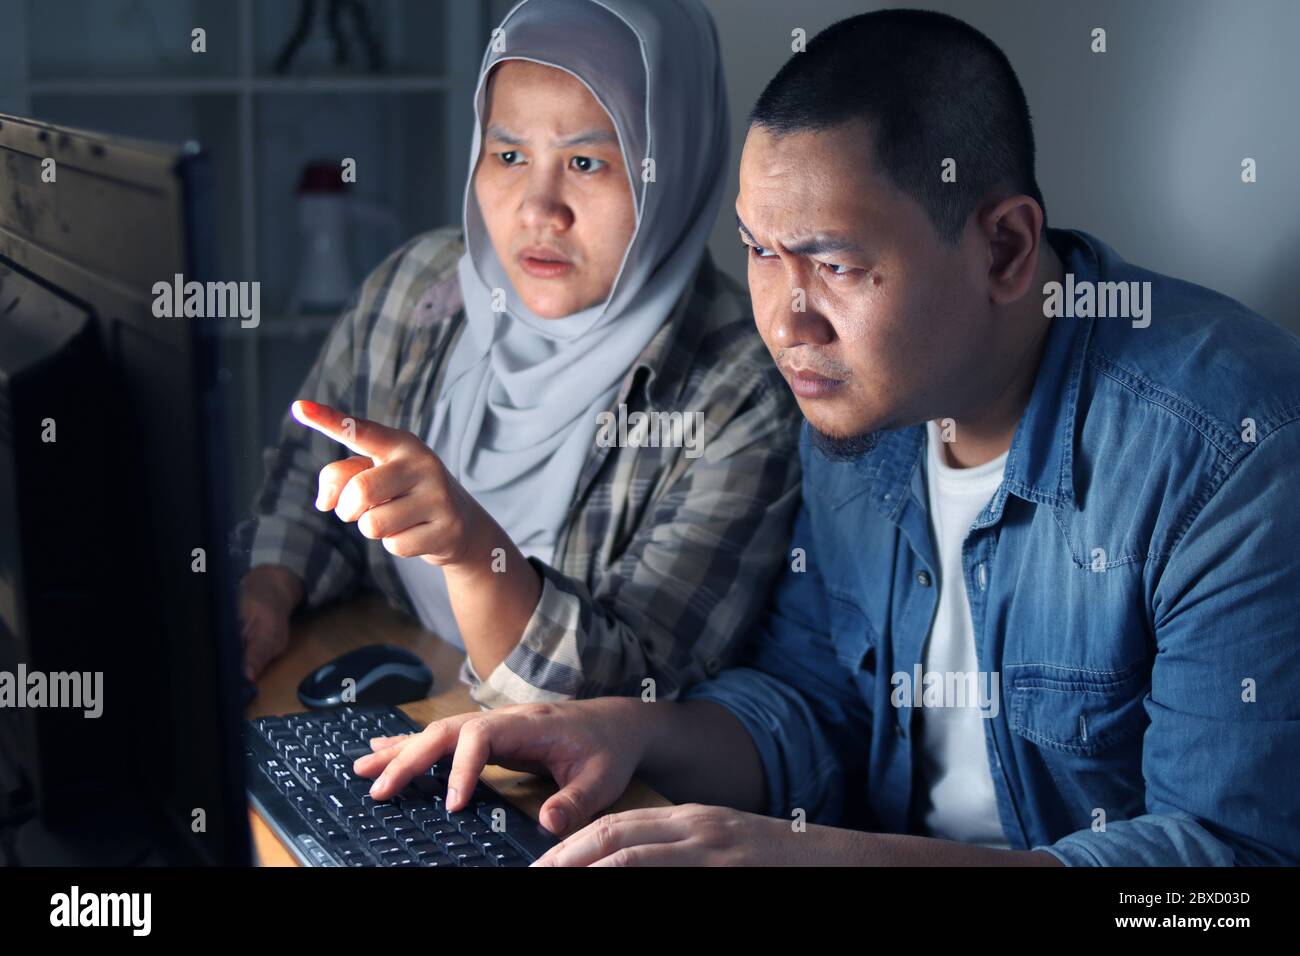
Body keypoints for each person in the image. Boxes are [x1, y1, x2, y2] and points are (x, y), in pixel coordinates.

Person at [354, 9, 1300, 866]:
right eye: (760, 252)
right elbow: (812, 704)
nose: (785, 320)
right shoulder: (857, 404)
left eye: (836, 263)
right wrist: (628, 734)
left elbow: (1226, 878)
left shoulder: (1230, 451)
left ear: (1005, 249)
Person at [233, 0, 801, 709]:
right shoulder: (419, 288)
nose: (539, 209)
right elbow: (303, 483)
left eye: (587, 162)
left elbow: (639, 687)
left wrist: (472, 551)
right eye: (508, 155)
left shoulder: (738, 398)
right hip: (411, 696)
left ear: (673, 166)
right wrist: (267, 592)